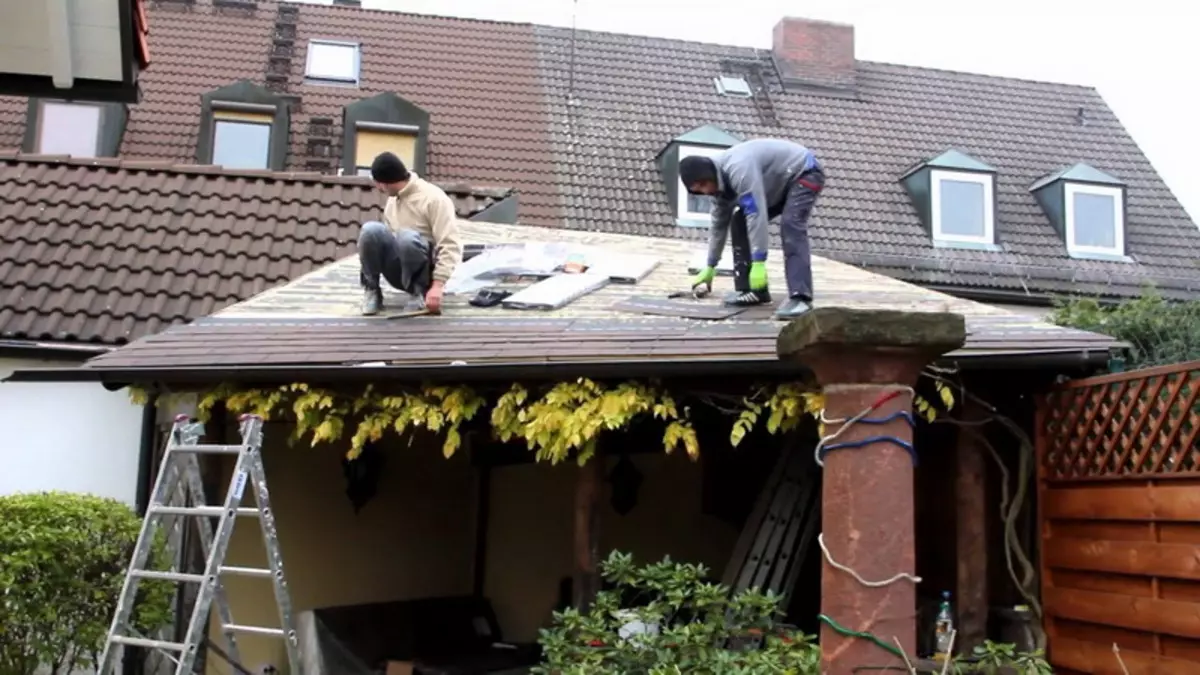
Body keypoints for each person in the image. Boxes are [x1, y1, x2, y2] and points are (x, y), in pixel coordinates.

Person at [680, 138, 826, 320]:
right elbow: (718, 228)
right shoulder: (717, 192)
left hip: (803, 172)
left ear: (709, 175)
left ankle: (801, 298)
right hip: (778, 183)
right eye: (698, 190)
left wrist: (759, 262)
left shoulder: (738, 170)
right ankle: (753, 291)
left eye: (703, 185)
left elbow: (756, 214)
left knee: (791, 225)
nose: (704, 191)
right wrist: (710, 266)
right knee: (738, 222)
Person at [358, 151, 463, 316]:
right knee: (371, 230)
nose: (378, 188)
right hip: (400, 272)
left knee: (406, 236)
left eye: (378, 184)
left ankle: (418, 293)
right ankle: (372, 291)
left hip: (426, 274)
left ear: (384, 183)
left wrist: (437, 286)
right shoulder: (393, 200)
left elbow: (450, 245)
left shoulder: (434, 199)